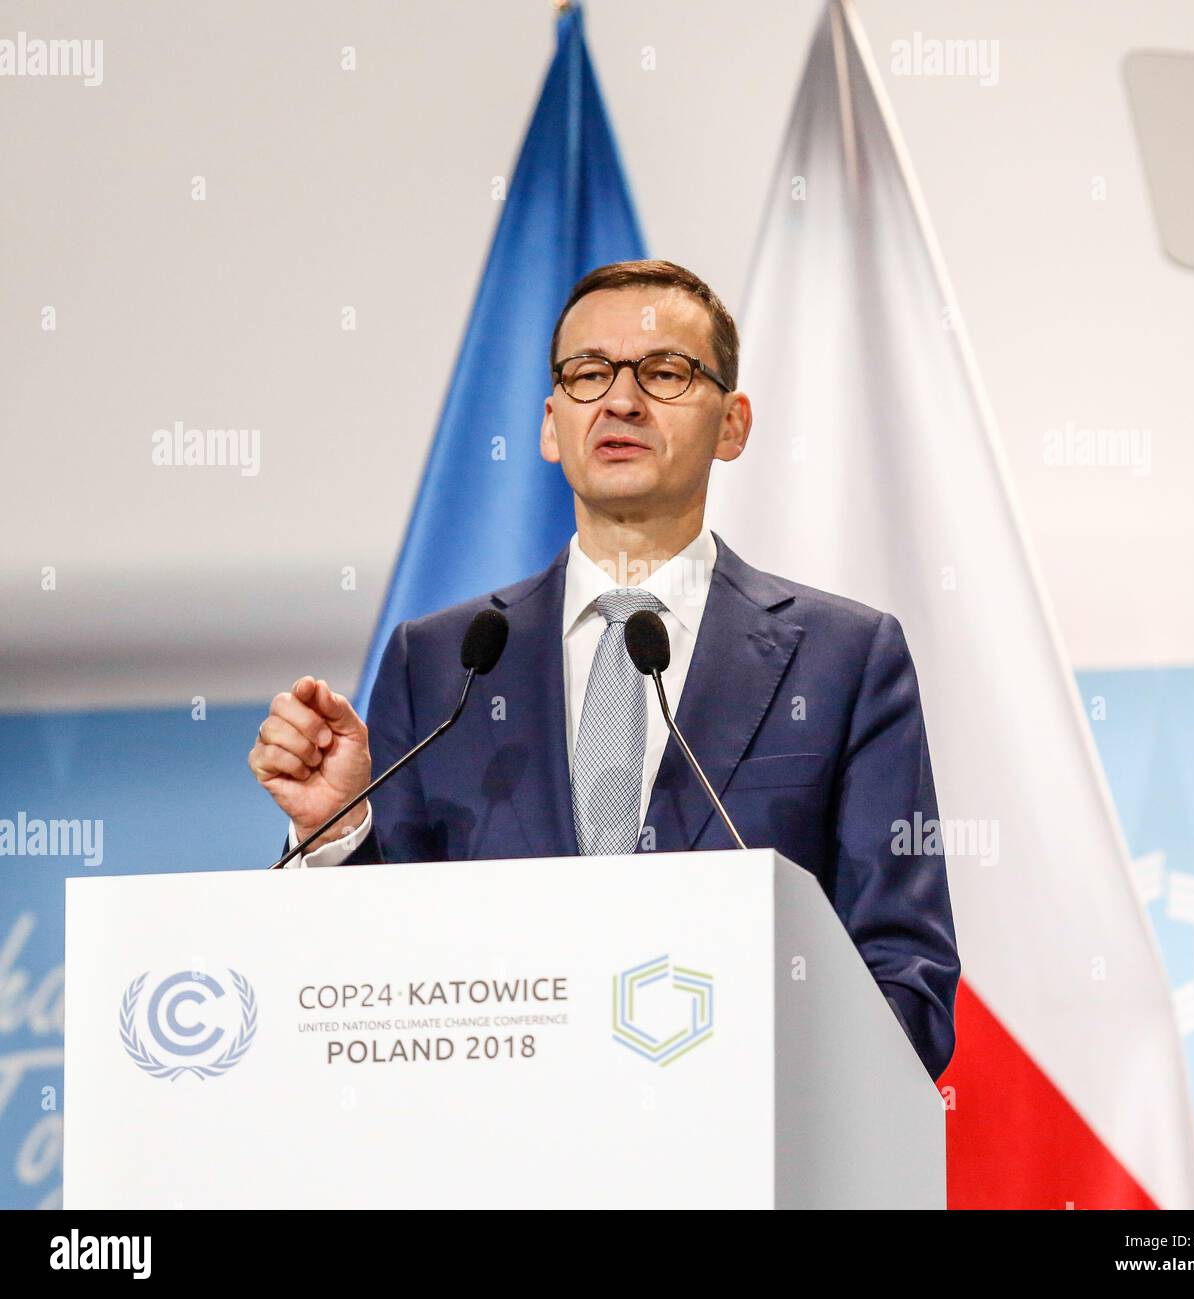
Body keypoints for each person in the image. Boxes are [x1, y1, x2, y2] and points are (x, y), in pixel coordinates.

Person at [248, 259, 960, 1079]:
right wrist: (339, 831)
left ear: (733, 424)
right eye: (589, 374)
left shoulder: (844, 659)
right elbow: (382, 980)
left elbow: (908, 983)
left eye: (664, 371)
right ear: (552, 425)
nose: (621, 400)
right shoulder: (444, 664)